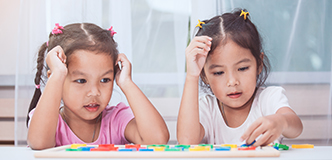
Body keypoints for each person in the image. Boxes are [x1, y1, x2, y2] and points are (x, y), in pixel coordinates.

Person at [27, 23, 169, 150]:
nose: (94, 92)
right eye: (81, 81)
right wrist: (57, 75)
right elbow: (39, 143)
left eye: (105, 79)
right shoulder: (48, 120)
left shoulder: (116, 119)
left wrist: (127, 83)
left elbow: (157, 140)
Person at [177, 9, 303, 146]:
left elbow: (296, 127)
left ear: (259, 64)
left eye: (242, 68)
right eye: (219, 72)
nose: (232, 82)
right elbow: (187, 141)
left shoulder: (269, 98)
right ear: (205, 76)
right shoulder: (206, 107)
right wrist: (192, 76)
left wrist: (280, 122)